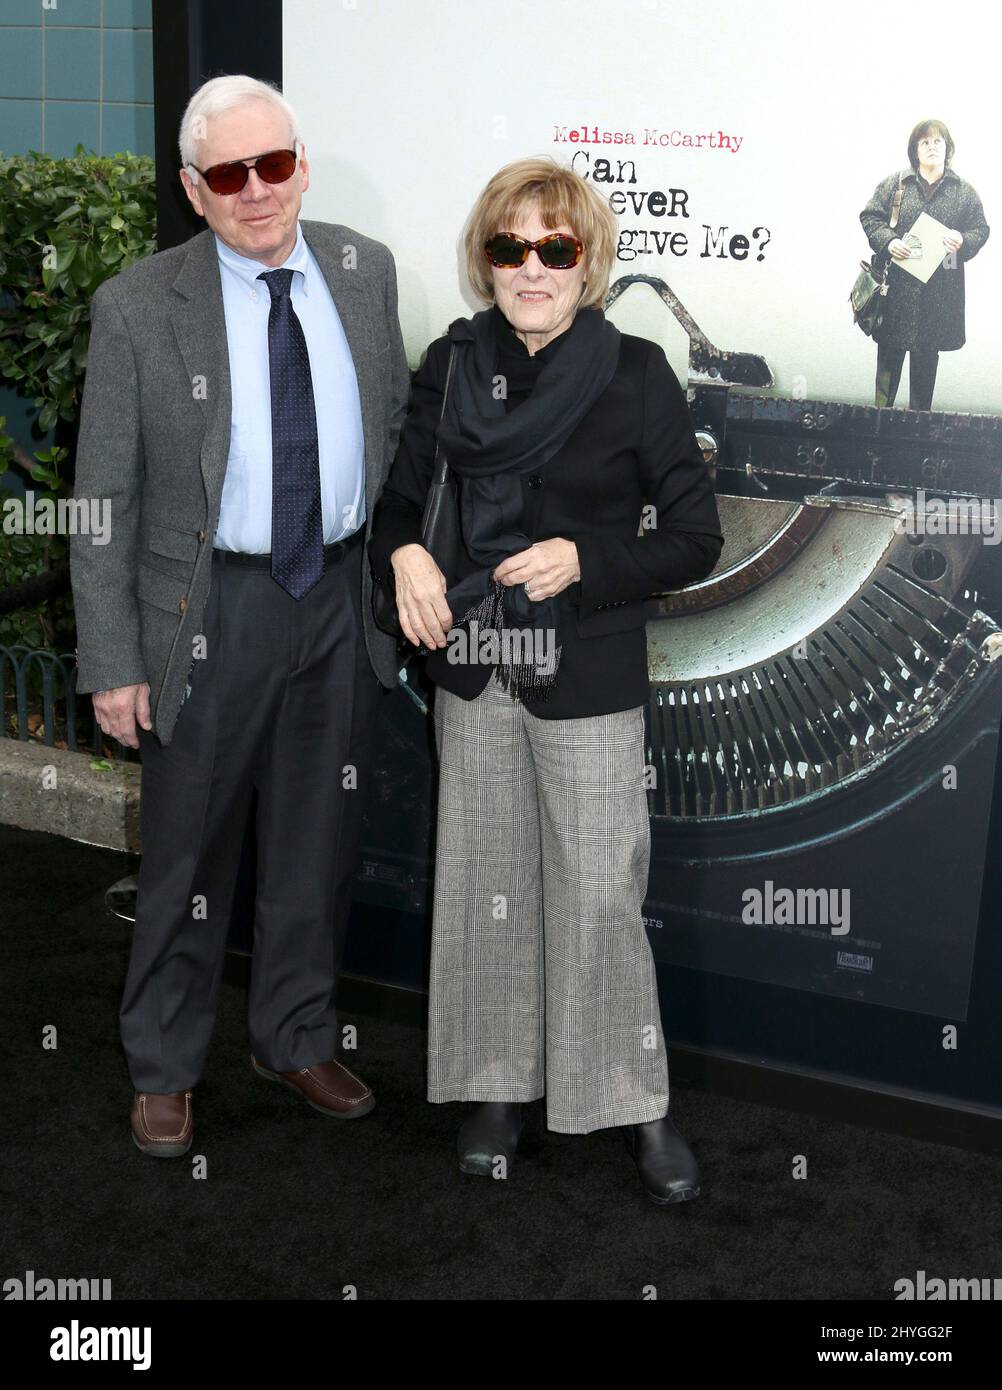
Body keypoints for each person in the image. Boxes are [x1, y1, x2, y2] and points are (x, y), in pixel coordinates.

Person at [368, 156, 724, 1204]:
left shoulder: (636, 373)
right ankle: (493, 1088)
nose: (531, 267)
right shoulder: (449, 365)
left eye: (554, 248)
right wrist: (408, 558)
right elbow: (396, 506)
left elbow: (694, 537)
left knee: (600, 895)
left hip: (586, 668)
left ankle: (632, 1099)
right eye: (509, 247)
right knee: (486, 882)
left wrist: (586, 560)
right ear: (488, 261)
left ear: (587, 263)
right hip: (474, 667)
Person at [70, 75, 409, 1156]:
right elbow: (100, 499)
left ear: (301, 163)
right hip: (207, 607)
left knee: (318, 836)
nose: (257, 191)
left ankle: (295, 1030)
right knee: (187, 853)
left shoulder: (363, 271)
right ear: (195, 189)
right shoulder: (136, 305)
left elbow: (394, 431)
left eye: (274, 164)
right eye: (229, 174)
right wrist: (113, 660)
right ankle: (165, 1064)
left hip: (338, 599)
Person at [860, 119, 989, 410]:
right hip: (895, 294)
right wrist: (889, 242)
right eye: (924, 142)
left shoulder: (964, 192)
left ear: (948, 149)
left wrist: (963, 240)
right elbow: (870, 217)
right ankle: (879, 427)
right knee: (887, 372)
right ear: (914, 151)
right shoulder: (895, 185)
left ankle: (918, 430)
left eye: (937, 142)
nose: (931, 147)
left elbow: (981, 229)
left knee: (925, 368)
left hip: (938, 297)